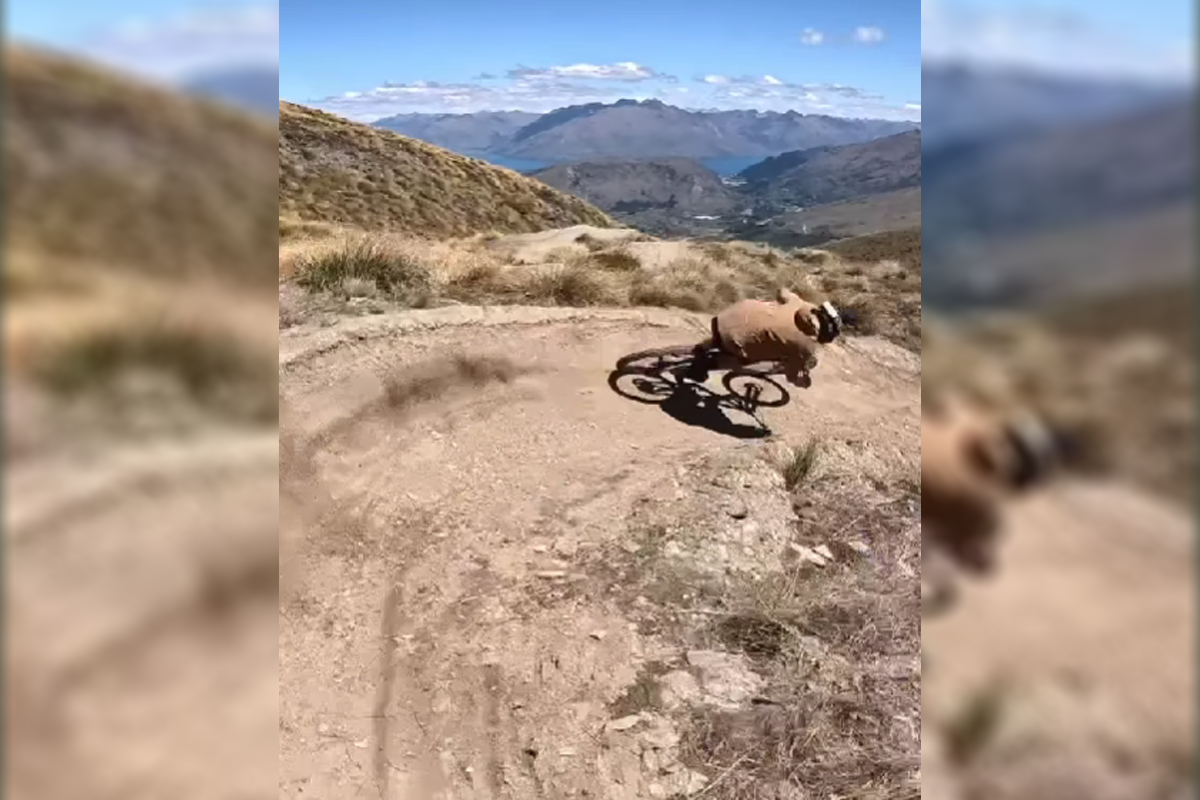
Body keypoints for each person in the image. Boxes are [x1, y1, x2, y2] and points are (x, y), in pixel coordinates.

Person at [921, 393, 1080, 610]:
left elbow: (973, 554)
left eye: (1016, 455)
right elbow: (975, 556)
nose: (1003, 453)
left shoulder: (962, 417)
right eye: (1010, 443)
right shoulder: (978, 508)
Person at [684, 287, 850, 386]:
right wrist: (800, 382)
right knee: (741, 360)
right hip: (733, 339)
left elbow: (782, 291)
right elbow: (791, 374)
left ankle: (701, 347)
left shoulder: (799, 303)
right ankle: (703, 365)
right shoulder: (804, 346)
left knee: (729, 331)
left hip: (732, 313)